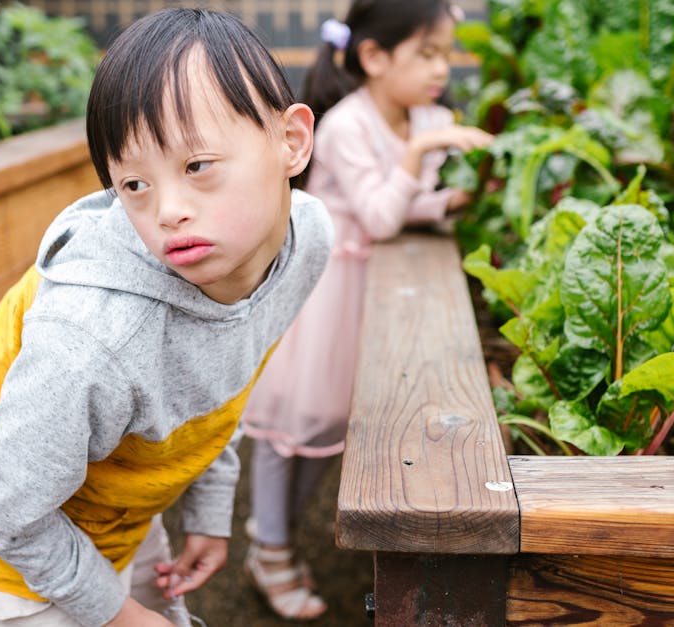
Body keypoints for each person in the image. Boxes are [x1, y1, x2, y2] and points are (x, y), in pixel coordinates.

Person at [0, 8, 333, 627]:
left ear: (292, 142)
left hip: (119, 493)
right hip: (19, 534)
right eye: (133, 184)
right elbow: (2, 507)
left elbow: (227, 369)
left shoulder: (306, 240)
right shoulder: (92, 339)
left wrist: (208, 509)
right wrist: (121, 615)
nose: (169, 210)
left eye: (197, 166)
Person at [239, 0, 494, 620]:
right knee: (290, 425)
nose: (443, 68)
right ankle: (267, 547)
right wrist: (420, 154)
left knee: (326, 431)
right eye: (427, 53)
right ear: (374, 57)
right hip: (324, 294)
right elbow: (380, 216)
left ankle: (275, 542)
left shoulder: (424, 115)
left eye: (446, 53)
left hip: (366, 295)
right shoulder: (348, 125)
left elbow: (409, 206)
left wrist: (452, 199)